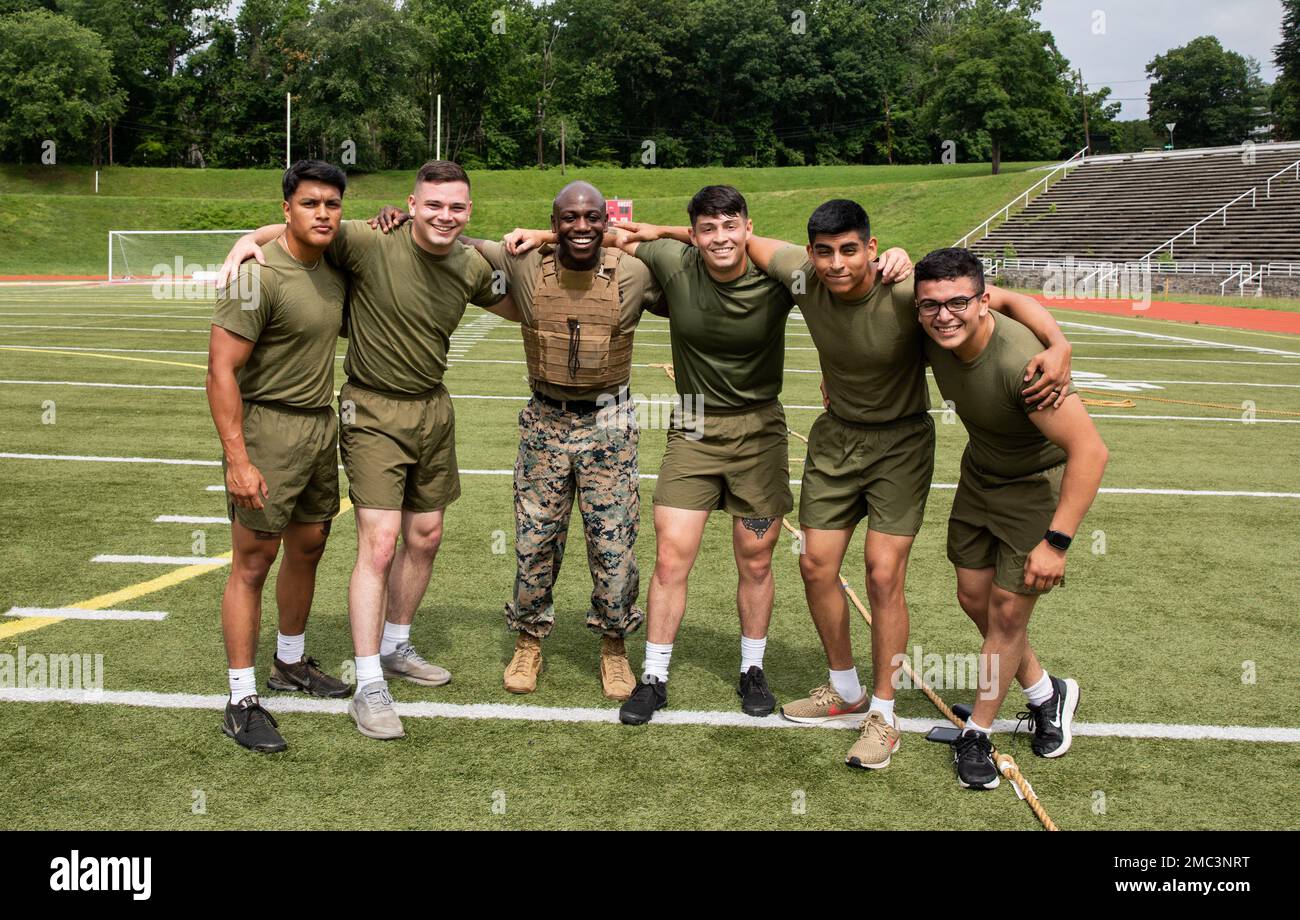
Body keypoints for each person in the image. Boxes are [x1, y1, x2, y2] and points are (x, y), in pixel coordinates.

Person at [743, 200, 1074, 771]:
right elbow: (739, 238)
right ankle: (844, 689)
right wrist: (647, 230)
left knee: (881, 572)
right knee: (816, 564)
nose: (836, 262)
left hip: (900, 445)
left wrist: (1059, 344)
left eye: (850, 249)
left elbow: (1006, 299)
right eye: (825, 251)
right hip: (834, 440)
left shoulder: (908, 292)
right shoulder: (801, 272)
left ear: (872, 249)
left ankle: (883, 713)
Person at [216, 161, 517, 740]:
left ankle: (386, 647)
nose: (444, 215)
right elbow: (304, 229)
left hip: (429, 409)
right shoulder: (367, 239)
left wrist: (529, 245)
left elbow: (522, 302)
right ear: (411, 202)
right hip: (369, 409)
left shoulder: (471, 263)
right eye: (433, 205)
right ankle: (367, 685)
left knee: (420, 536)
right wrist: (241, 241)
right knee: (375, 543)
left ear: (470, 211)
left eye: (457, 207)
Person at [371, 180, 665, 699]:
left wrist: (654, 233)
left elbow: (703, 259)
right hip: (546, 423)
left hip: (610, 425)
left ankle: (615, 647)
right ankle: (529, 641)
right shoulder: (525, 264)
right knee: (534, 543)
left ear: (606, 222)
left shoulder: (637, 273)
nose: (581, 228)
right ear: (553, 225)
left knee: (615, 544)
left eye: (592, 218)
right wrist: (396, 217)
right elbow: (450, 239)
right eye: (568, 219)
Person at [913, 247, 1107, 789]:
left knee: (1005, 615)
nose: (944, 315)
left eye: (958, 303)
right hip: (980, 474)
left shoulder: (1023, 367)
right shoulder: (940, 320)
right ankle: (1048, 693)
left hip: (1033, 488)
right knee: (974, 598)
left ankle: (978, 732)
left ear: (979, 303)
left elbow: (1091, 453)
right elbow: (1010, 295)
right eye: (931, 305)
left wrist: (1057, 542)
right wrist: (1061, 337)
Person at [206, 159, 352, 753]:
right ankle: (241, 700)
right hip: (267, 428)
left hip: (320, 427)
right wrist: (238, 459)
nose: (322, 213)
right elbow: (220, 370)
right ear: (286, 208)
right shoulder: (257, 275)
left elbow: (374, 224)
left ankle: (289, 663)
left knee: (310, 546)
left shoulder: (334, 265)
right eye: (310, 203)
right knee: (253, 561)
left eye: (332, 204)